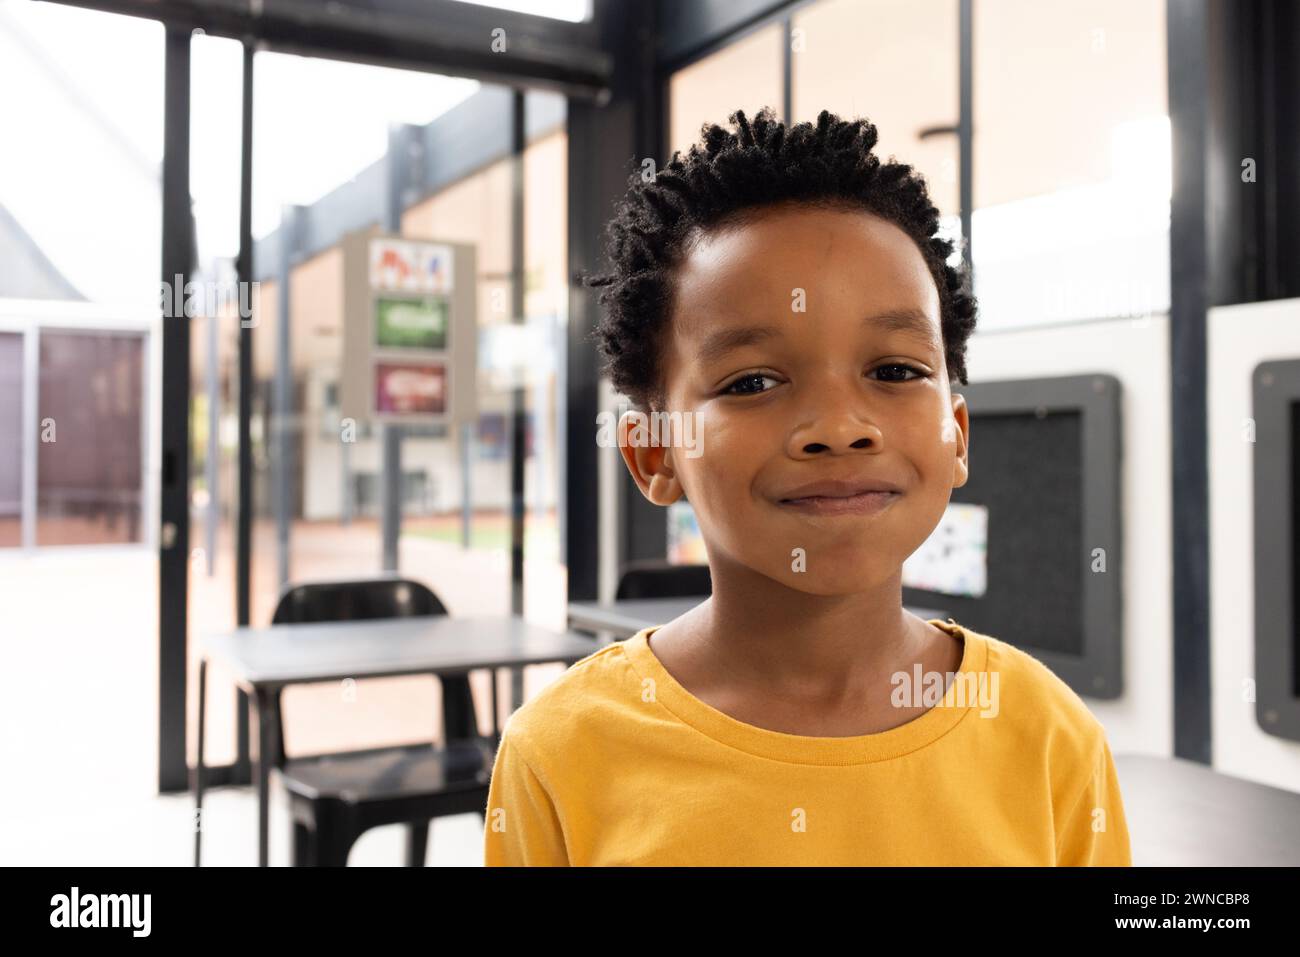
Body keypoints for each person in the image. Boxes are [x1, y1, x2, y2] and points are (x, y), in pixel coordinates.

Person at [483, 107, 1131, 866]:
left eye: (895, 371)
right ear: (654, 453)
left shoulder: (1048, 734)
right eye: (753, 381)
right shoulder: (562, 752)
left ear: (958, 431)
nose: (839, 426)